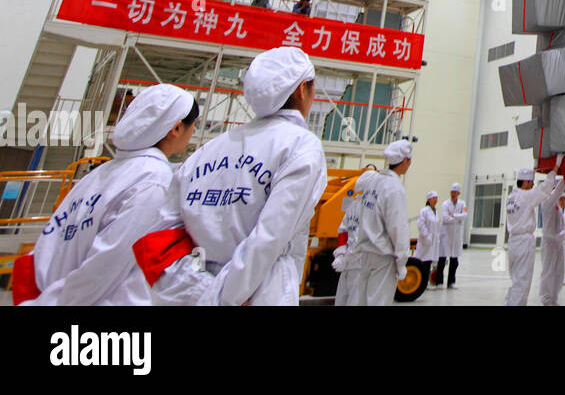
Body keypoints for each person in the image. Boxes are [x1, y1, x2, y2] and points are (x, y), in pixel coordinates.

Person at [135, 46, 327, 305]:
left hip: (187, 295)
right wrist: (223, 296)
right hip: (259, 295)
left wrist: (199, 290)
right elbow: (267, 240)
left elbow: (161, 241)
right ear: (301, 89)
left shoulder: (205, 153)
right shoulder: (301, 146)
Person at [14, 84, 197, 306]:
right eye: (192, 125)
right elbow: (107, 264)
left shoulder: (102, 173)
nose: (194, 131)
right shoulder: (154, 180)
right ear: (176, 128)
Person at [335, 139, 413, 306]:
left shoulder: (374, 183)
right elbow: (398, 228)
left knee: (360, 301)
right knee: (378, 301)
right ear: (405, 160)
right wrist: (402, 261)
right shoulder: (394, 187)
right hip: (383, 257)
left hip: (364, 254)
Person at [504, 167, 564, 306]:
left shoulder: (511, 197)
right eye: (531, 183)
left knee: (516, 280)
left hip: (513, 242)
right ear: (525, 183)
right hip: (523, 243)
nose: (532, 186)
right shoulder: (525, 197)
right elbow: (544, 188)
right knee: (523, 283)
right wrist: (554, 169)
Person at [435, 183, 468, 288]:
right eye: (452, 192)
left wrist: (453, 216)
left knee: (454, 261)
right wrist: (457, 218)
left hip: (456, 236)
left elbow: (465, 215)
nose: (453, 194)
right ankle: (439, 282)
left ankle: (451, 282)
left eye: (455, 192)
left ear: (458, 193)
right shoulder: (445, 204)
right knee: (442, 260)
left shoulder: (463, 204)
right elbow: (445, 218)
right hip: (446, 235)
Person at [539, 192, 565, 305]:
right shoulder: (547, 202)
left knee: (559, 271)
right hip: (549, 243)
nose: (562, 200)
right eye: (560, 198)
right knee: (548, 271)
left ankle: (553, 298)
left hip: (559, 243)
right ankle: (546, 298)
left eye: (563, 199)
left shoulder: (560, 210)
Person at [414, 191, 440, 286]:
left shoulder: (436, 212)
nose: (435, 200)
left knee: (429, 262)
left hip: (433, 242)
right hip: (425, 241)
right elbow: (420, 225)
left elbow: (437, 227)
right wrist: (426, 236)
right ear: (429, 199)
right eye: (434, 198)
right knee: (423, 263)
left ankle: (425, 283)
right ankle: (421, 283)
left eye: (436, 198)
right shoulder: (424, 211)